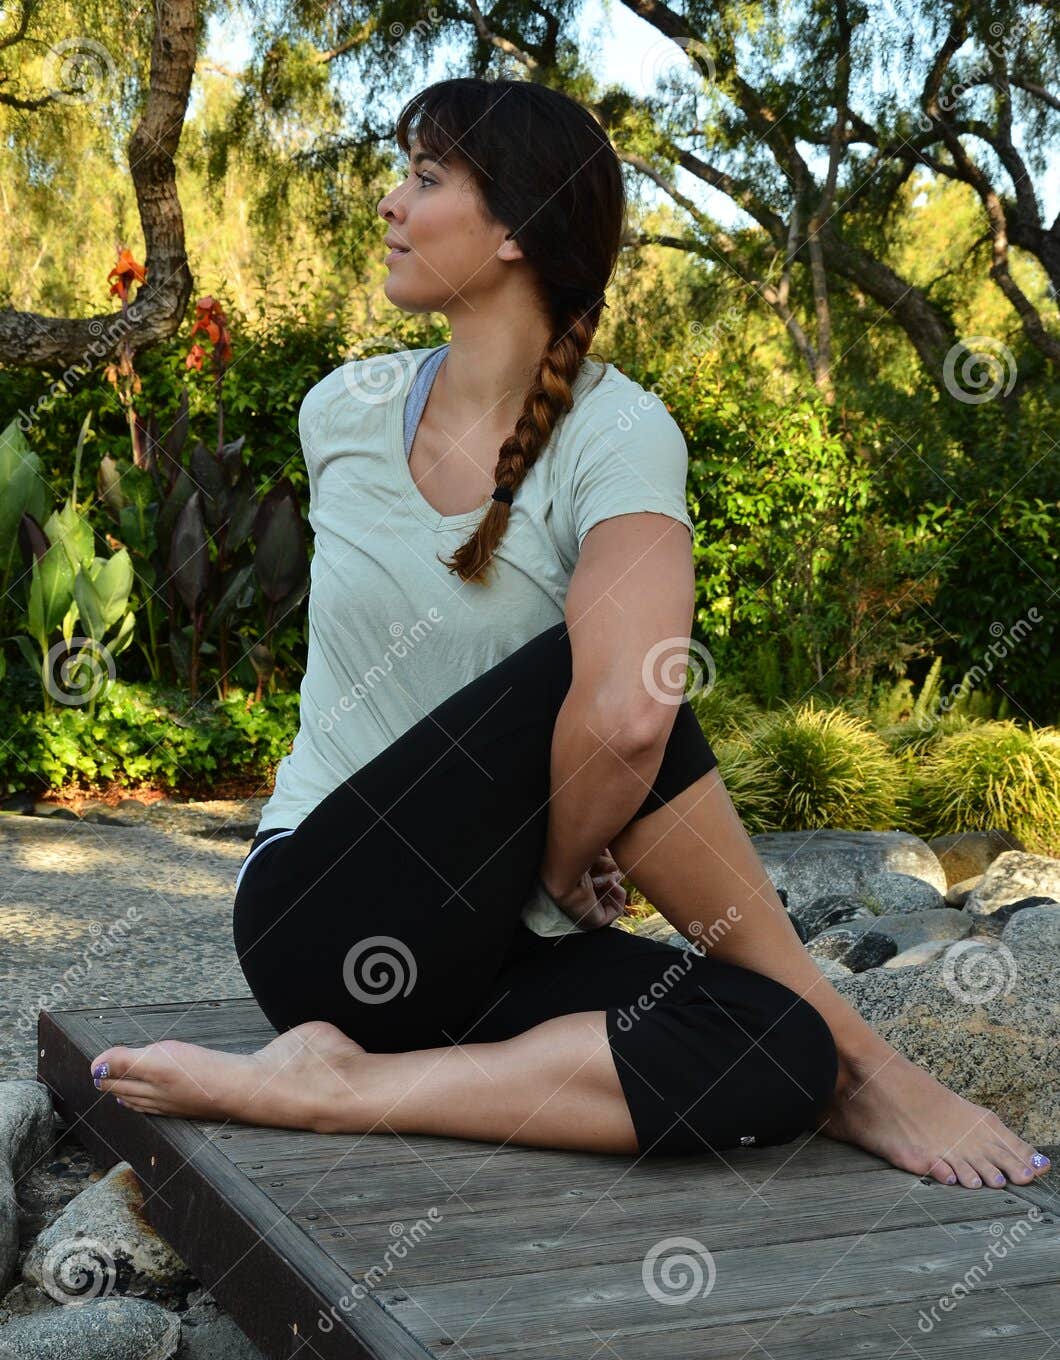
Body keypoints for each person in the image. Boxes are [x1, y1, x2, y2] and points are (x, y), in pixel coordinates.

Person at [89, 76, 1049, 1190]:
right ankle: (866, 1054)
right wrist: (557, 852)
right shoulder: (340, 411)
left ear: (515, 229)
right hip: (325, 909)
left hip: (484, 958)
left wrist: (539, 869)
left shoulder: (619, 429)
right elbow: (630, 716)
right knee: (624, 673)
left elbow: (624, 724)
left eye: (425, 177)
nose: (390, 204)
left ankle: (339, 1087)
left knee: (773, 1047)